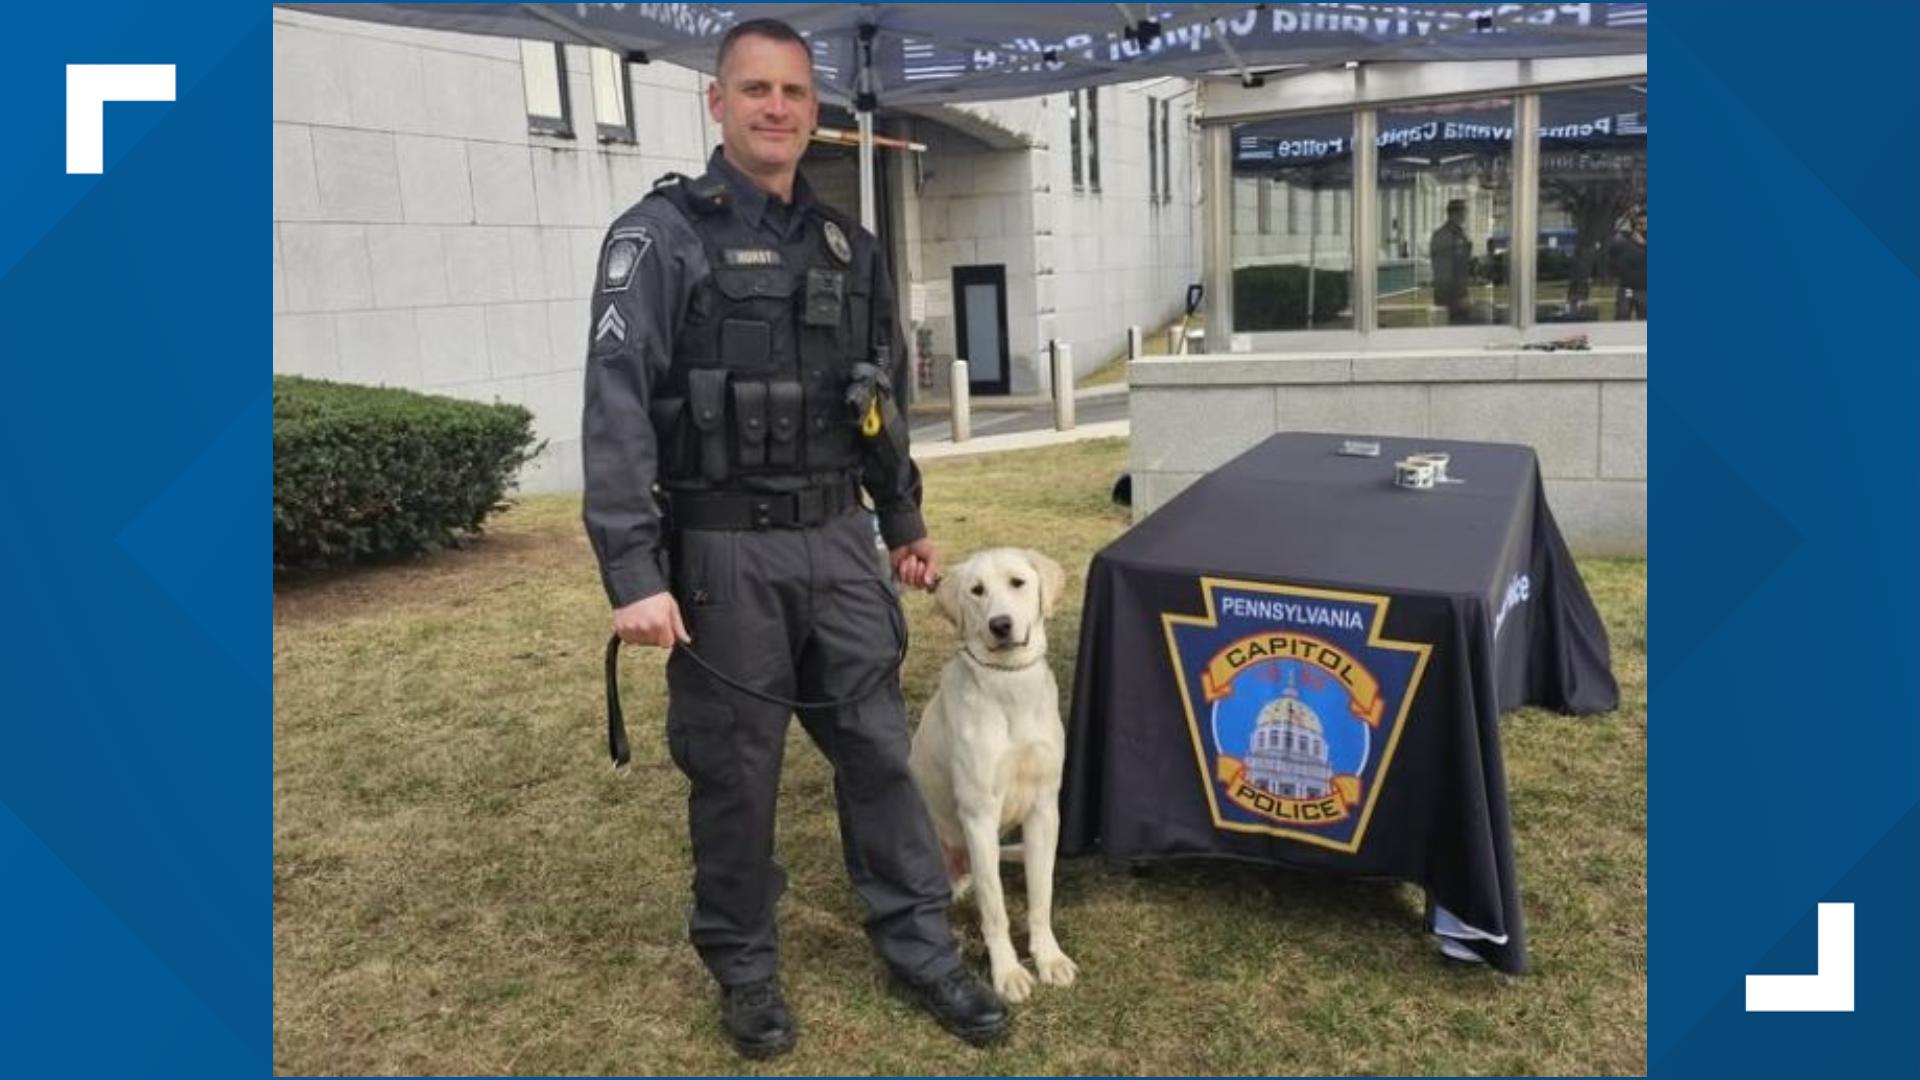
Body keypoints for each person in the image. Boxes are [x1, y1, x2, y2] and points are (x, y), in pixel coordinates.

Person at [580, 18, 1008, 1059]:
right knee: (738, 772)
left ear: (815, 113)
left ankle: (920, 950)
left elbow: (876, 396)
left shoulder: (847, 248)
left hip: (838, 543)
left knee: (876, 753)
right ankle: (746, 970)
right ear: (716, 104)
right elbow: (618, 401)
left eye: (795, 94)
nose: (777, 108)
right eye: (756, 90)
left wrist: (900, 519)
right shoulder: (660, 236)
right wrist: (634, 572)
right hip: (724, 556)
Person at [1429, 198, 1473, 325]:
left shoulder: (1459, 234)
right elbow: (1444, 269)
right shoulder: (1446, 235)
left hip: (1455, 292)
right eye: (1464, 211)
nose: (1466, 215)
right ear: (1455, 213)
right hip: (1450, 295)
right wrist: (1460, 295)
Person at [1611, 204, 1647, 320]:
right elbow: (1612, 238)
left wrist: (1644, 245)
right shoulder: (1623, 238)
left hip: (1645, 289)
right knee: (1622, 316)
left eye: (1644, 224)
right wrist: (1628, 215)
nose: (1641, 227)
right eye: (1638, 224)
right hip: (1627, 289)